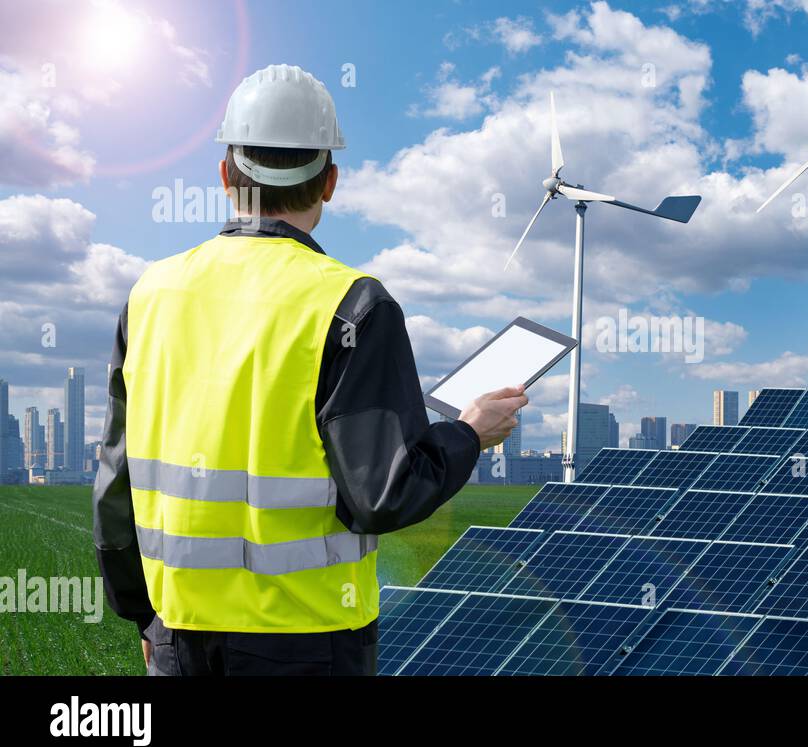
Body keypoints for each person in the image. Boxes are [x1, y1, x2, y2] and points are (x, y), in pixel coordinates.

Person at [92, 64, 525, 675]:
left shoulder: (149, 295)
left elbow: (116, 481)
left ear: (224, 175)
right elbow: (385, 494)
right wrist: (469, 433)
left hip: (178, 638)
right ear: (330, 183)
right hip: (310, 644)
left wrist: (144, 615)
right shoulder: (354, 305)